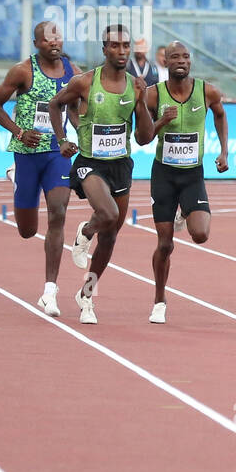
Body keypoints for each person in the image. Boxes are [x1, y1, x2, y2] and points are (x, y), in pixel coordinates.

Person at [49, 24, 153, 325]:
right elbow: (56, 105)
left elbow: (145, 138)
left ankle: (87, 294)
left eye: (126, 46)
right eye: (115, 46)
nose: (122, 51)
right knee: (105, 214)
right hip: (89, 162)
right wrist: (62, 139)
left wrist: (142, 103)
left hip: (121, 164)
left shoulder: (136, 85)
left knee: (111, 236)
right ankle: (85, 231)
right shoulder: (84, 82)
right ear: (104, 49)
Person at [0, 21, 79, 316]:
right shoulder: (22, 71)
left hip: (57, 151)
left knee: (59, 212)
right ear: (37, 43)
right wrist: (18, 132)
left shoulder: (72, 71)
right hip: (26, 153)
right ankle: (16, 177)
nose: (55, 42)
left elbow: (76, 108)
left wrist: (81, 135)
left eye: (58, 38)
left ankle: (49, 291)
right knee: (27, 230)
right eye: (48, 39)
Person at [139, 41, 230, 324]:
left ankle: (184, 211)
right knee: (165, 244)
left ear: (190, 62)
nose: (181, 61)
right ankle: (159, 299)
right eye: (175, 57)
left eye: (186, 57)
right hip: (164, 175)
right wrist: (161, 122)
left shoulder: (207, 91)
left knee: (201, 234)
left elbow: (220, 114)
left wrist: (224, 150)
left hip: (192, 174)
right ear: (165, 62)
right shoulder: (154, 95)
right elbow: (142, 138)